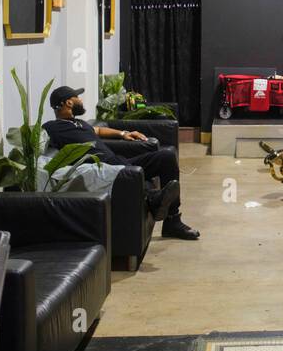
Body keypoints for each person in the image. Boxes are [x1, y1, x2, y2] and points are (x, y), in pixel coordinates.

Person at [43, 85, 199, 240]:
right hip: (105, 171)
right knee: (136, 177)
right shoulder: (51, 127)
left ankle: (172, 222)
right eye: (77, 97)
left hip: (119, 161)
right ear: (68, 103)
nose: (81, 100)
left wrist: (124, 133)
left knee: (166, 157)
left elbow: (98, 130)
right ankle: (153, 198)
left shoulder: (81, 124)